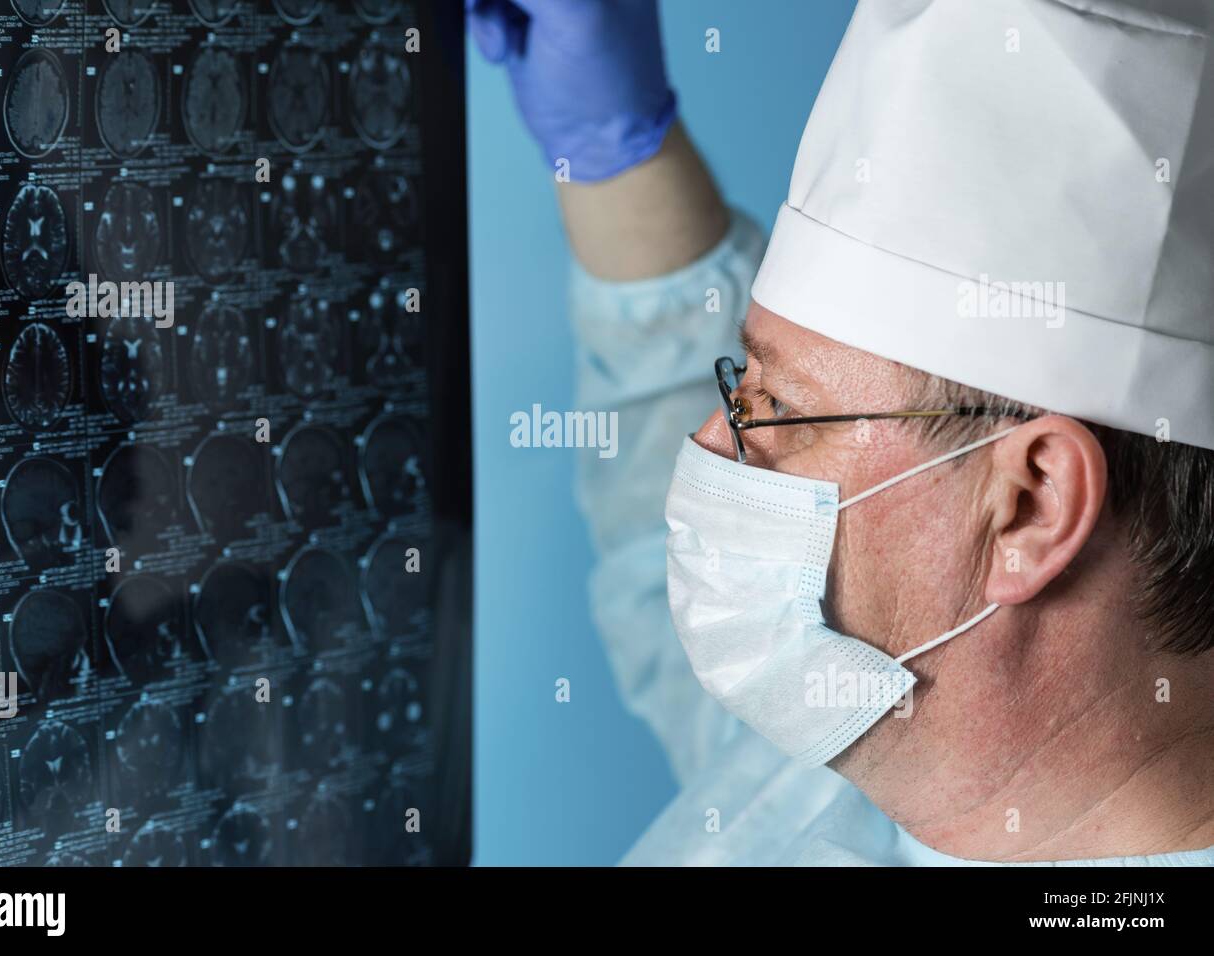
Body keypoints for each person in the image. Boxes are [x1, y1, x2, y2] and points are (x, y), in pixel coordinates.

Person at [468, 0, 1214, 865]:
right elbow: (660, 568)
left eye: (780, 412)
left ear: (1031, 504)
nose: (707, 447)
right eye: (746, 393)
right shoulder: (833, 767)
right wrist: (613, 150)